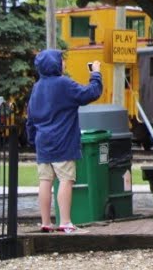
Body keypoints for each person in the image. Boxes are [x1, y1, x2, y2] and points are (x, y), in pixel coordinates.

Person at [25, 50, 103, 233]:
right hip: (63, 141)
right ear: (56, 64)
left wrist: (32, 140)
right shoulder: (64, 84)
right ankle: (65, 222)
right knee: (66, 179)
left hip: (43, 143)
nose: (64, 63)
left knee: (45, 180)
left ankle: (45, 222)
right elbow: (91, 93)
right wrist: (96, 74)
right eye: (62, 60)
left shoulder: (37, 87)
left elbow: (30, 118)